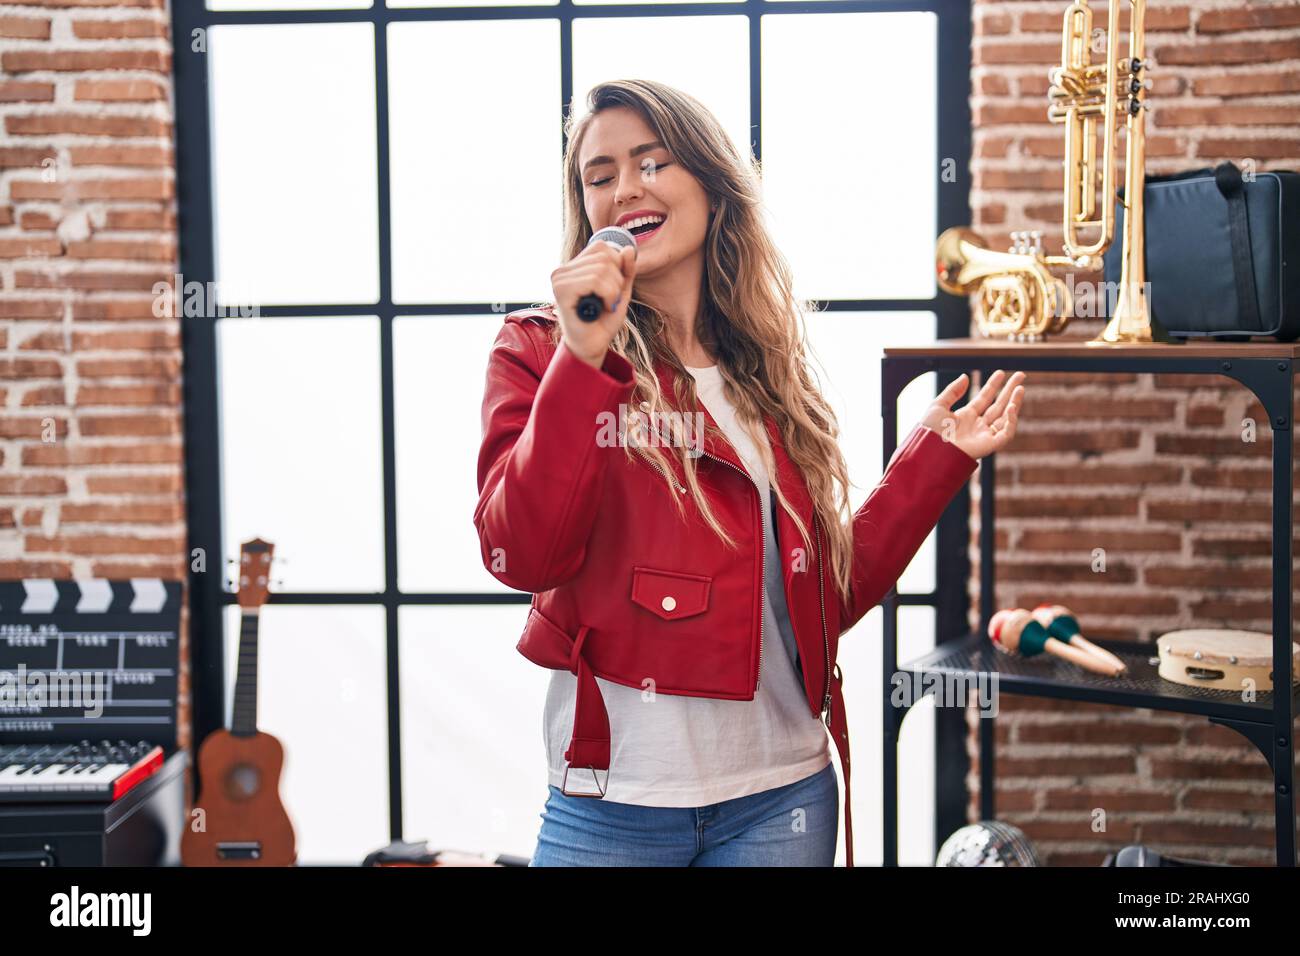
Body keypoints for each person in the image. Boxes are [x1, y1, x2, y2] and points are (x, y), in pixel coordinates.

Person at [473, 79, 1026, 866]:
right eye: (599, 176)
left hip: (781, 798)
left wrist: (932, 462)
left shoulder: (764, 371)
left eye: (653, 161)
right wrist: (581, 354)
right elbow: (522, 554)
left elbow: (817, 602)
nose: (626, 188)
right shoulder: (537, 351)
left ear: (711, 182)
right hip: (611, 806)